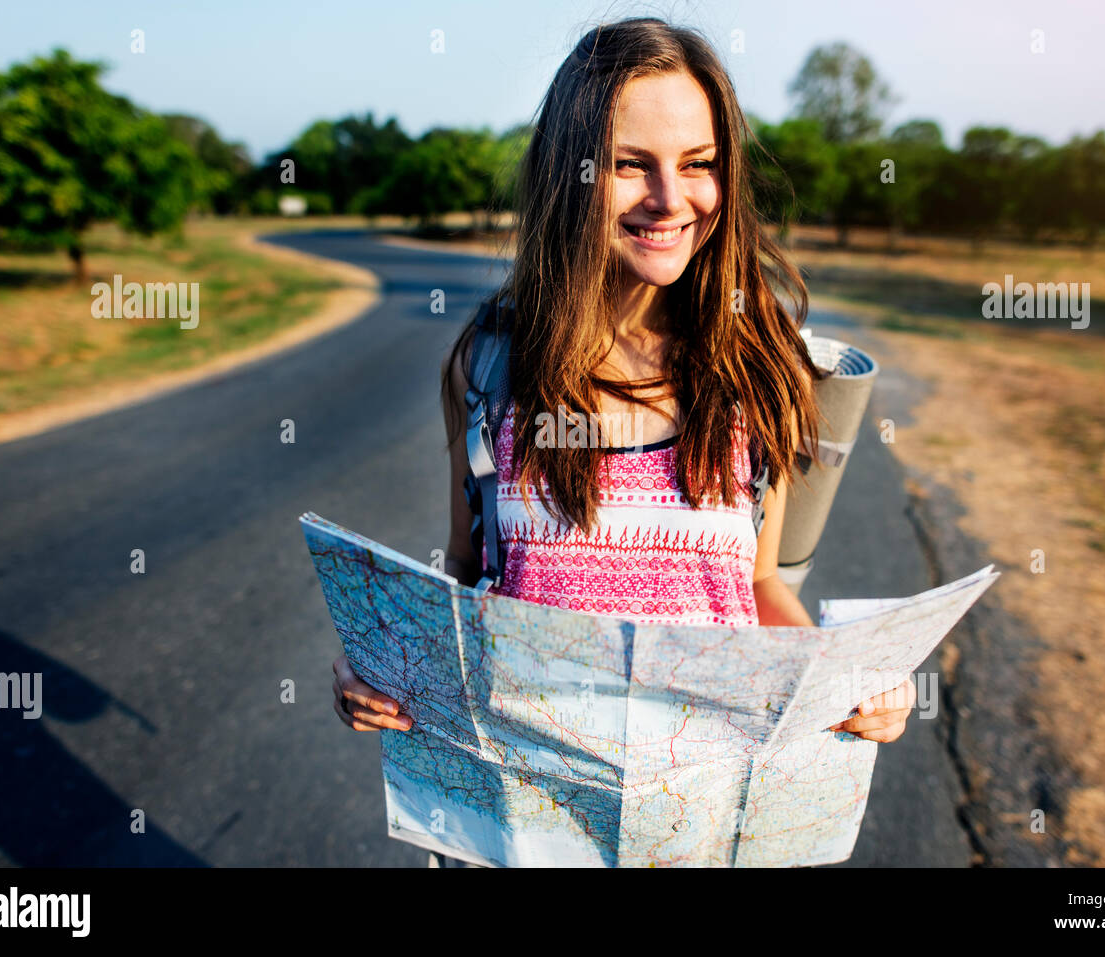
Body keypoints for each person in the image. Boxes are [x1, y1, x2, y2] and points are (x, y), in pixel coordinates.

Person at [332, 17, 916, 865]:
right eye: (630, 163)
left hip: (706, 827)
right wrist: (380, 666)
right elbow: (467, 576)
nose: (671, 199)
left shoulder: (760, 368)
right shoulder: (488, 369)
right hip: (527, 830)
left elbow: (754, 585)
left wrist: (853, 686)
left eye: (699, 164)